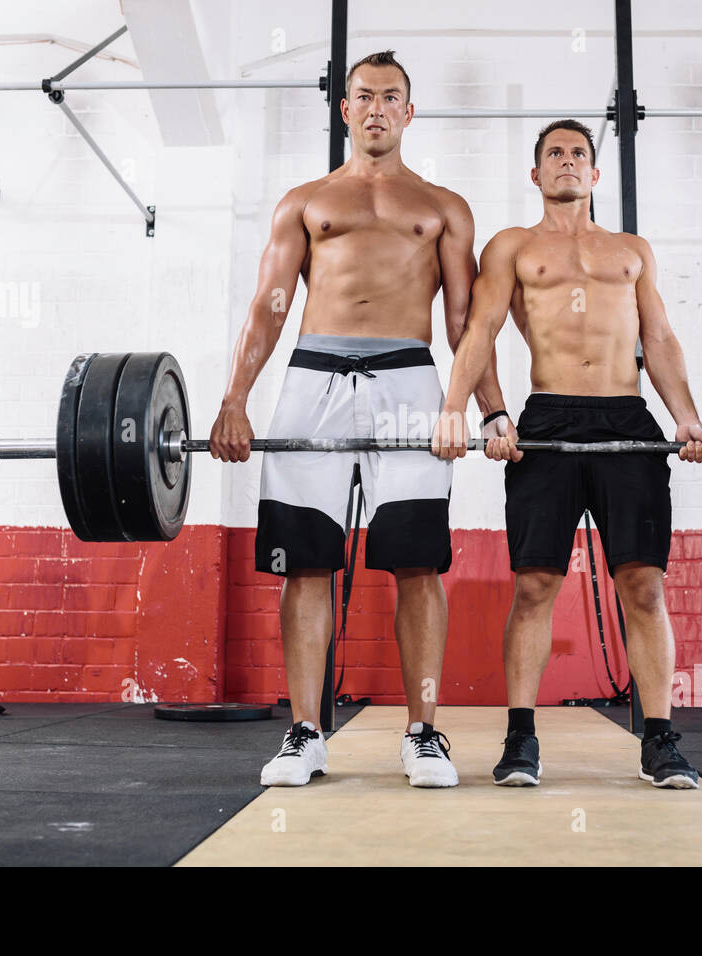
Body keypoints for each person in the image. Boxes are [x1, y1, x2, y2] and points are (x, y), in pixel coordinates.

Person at [210, 51, 511, 788]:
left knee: (417, 560)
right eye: (364, 96)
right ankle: (305, 732)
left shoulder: (444, 208)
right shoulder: (305, 203)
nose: (377, 108)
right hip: (312, 379)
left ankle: (424, 733)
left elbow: (469, 323)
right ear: (344, 111)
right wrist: (234, 398)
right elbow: (269, 307)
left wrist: (492, 410)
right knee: (306, 559)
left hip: (409, 382)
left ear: (411, 113)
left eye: (392, 97)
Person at [431, 119, 702, 789]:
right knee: (534, 587)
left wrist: (687, 418)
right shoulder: (512, 248)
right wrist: (461, 409)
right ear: (536, 174)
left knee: (643, 586)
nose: (566, 162)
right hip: (550, 417)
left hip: (626, 417)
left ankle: (660, 740)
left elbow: (662, 339)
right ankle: (521, 738)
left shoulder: (631, 251)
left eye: (577, 154)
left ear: (593, 174)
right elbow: (480, 332)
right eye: (553, 153)